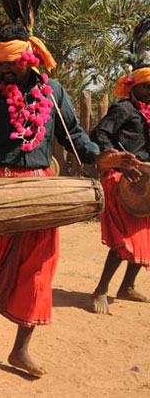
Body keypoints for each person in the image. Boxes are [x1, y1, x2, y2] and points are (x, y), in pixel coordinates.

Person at [0, 23, 130, 376]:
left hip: (39, 185)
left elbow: (74, 135)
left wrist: (99, 156)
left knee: (39, 266)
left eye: (12, 61)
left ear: (31, 56)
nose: (4, 68)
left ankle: (21, 349)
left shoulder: (54, 93)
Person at [89, 60, 150, 314]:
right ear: (133, 87)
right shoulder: (124, 109)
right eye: (146, 87)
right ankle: (101, 289)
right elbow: (99, 134)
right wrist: (116, 159)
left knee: (145, 235)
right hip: (121, 178)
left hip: (145, 180)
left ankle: (127, 286)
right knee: (126, 238)